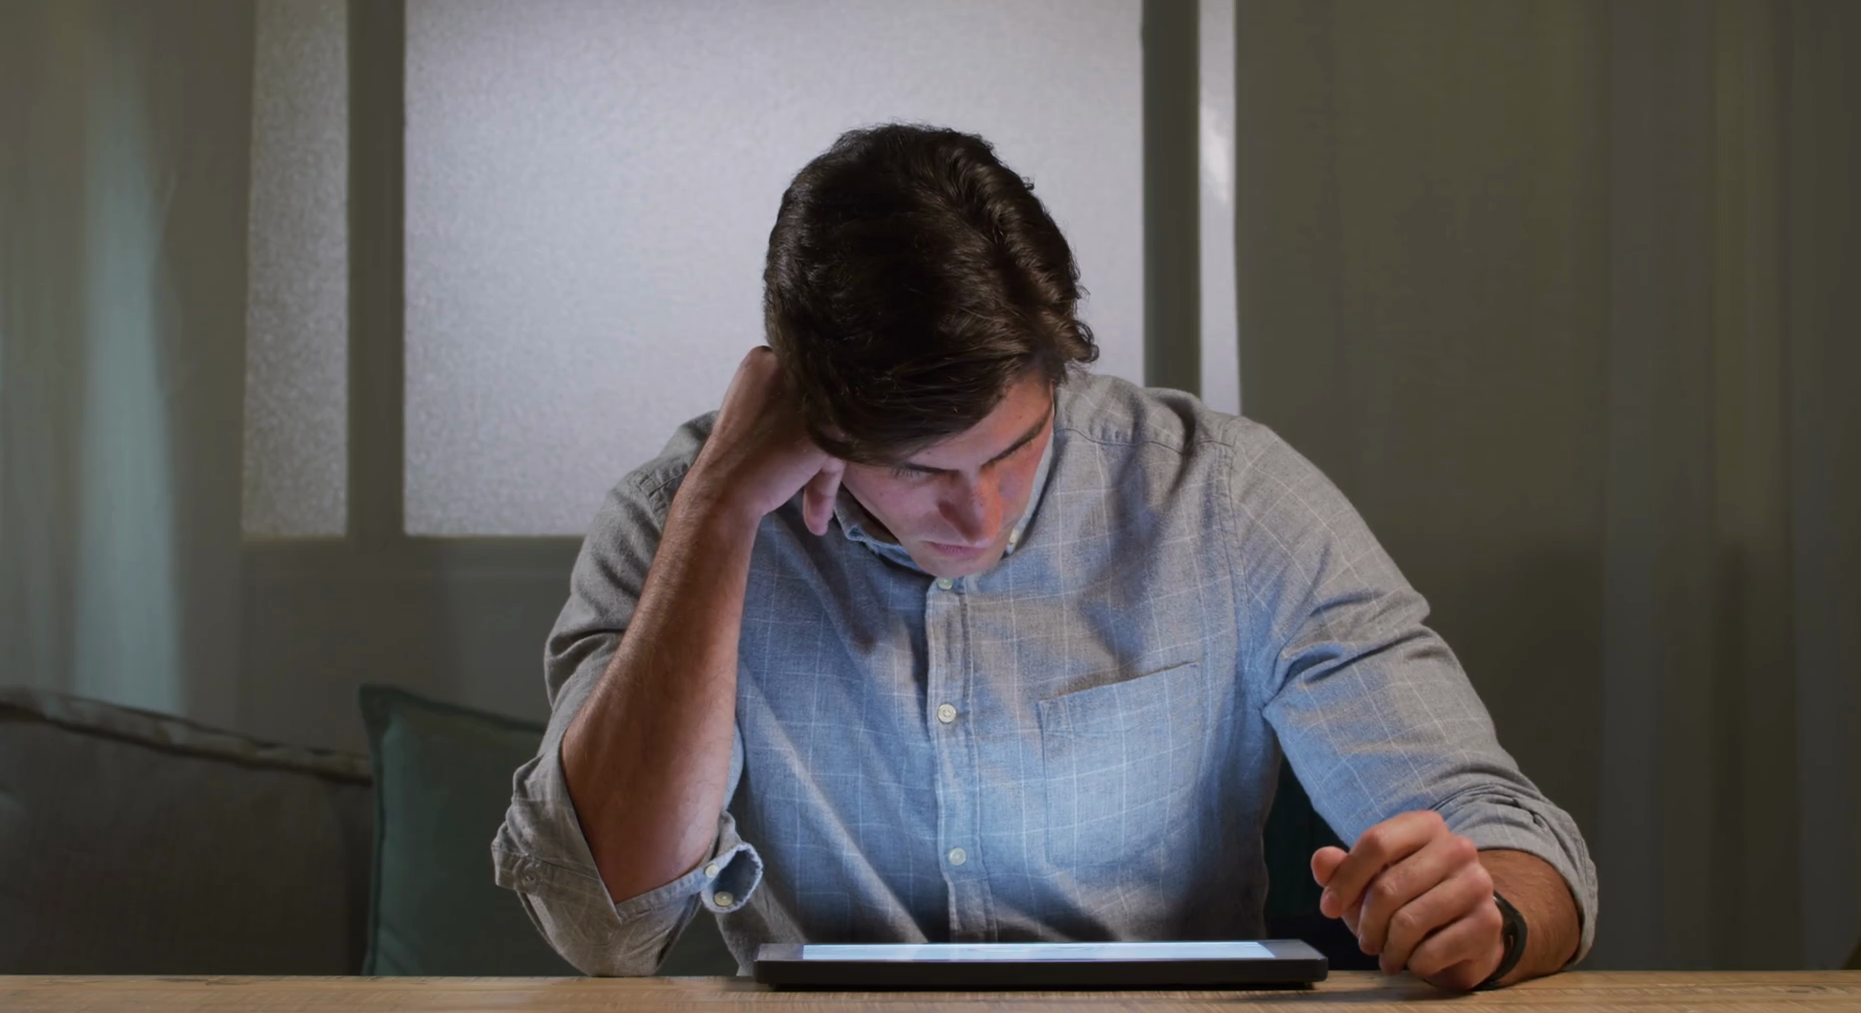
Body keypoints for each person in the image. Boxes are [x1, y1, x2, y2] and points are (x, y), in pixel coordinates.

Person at [492, 124, 1596, 990]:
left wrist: (1483, 913)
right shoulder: (676, 517)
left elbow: (1516, 842)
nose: (979, 517)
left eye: (1015, 449)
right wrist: (721, 516)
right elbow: (602, 926)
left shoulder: (1227, 502)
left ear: (1059, 360)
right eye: (920, 469)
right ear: (812, 415)